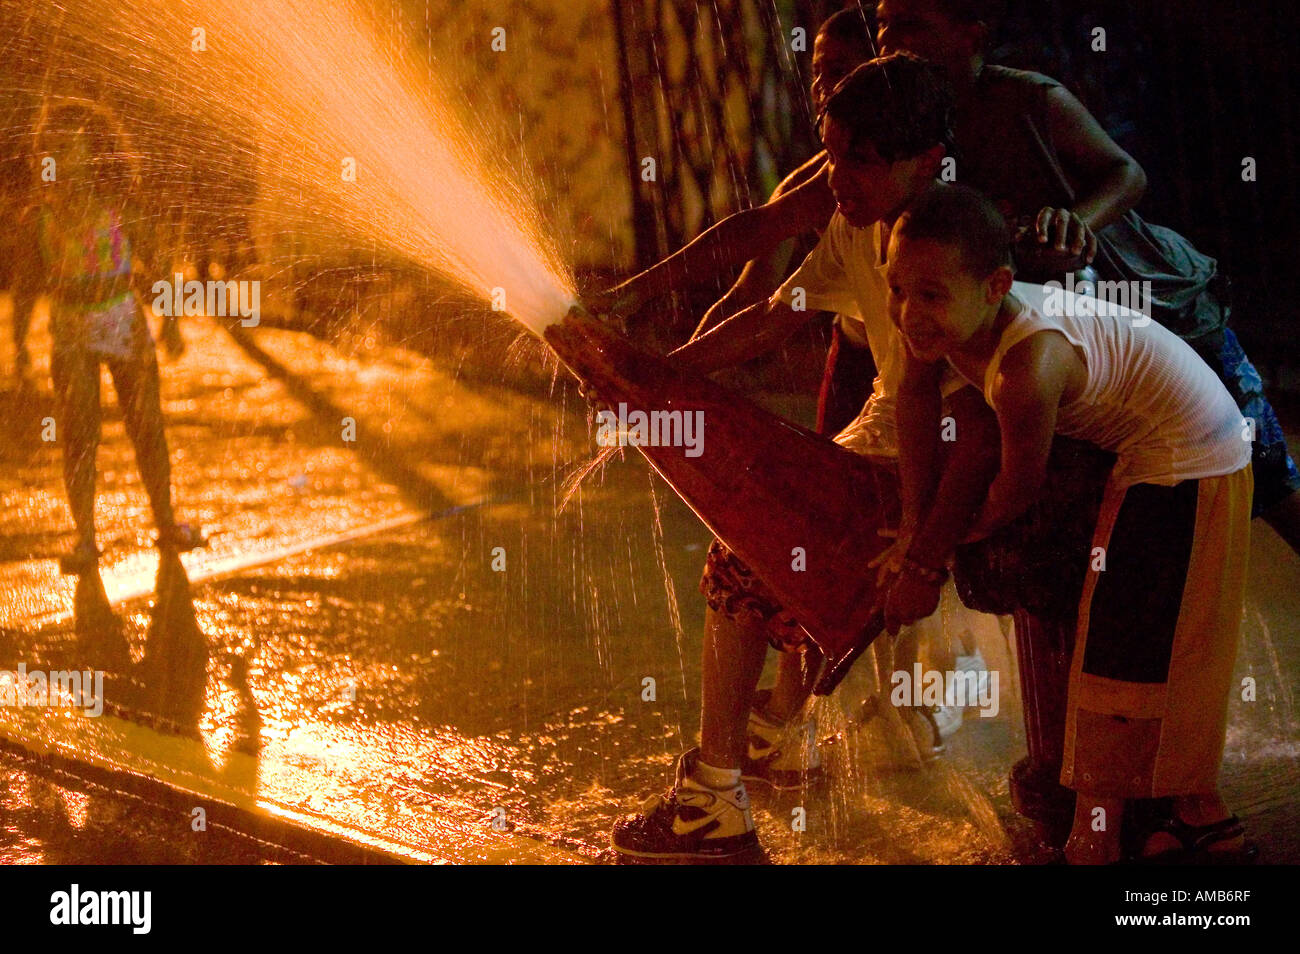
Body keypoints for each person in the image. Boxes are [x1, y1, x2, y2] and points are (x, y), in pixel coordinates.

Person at [606, 55, 1003, 863]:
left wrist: (924, 542)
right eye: (830, 150)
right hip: (886, 442)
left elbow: (977, 421)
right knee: (763, 538)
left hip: (934, 462)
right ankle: (770, 748)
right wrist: (660, 372)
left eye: (862, 159)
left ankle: (716, 795)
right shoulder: (857, 225)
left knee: (750, 555)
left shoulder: (947, 254)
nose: (838, 175)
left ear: (926, 161)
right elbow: (776, 312)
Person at [882, 182, 1255, 865]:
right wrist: (914, 529)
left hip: (1190, 458)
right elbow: (912, 399)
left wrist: (932, 558)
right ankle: (1189, 817)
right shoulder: (937, 329)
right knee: (1122, 645)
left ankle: (1124, 833)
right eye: (896, 288)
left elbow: (1015, 492)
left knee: (1127, 647)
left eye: (930, 294)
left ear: (996, 286)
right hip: (1143, 456)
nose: (908, 312)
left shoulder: (1028, 365)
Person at [871, 0, 1300, 554]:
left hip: (1153, 303)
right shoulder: (911, 130)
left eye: (910, 24)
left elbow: (1127, 173)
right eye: (882, 24)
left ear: (970, 35)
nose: (888, 39)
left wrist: (1076, 221)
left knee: (1263, 475)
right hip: (1061, 337)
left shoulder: (1029, 99)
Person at [34, 100, 204, 575]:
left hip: (122, 324)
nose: (57, 160)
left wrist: (171, 321)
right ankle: (85, 538)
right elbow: (31, 280)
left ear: (93, 153)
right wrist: (20, 338)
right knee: (78, 433)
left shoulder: (120, 209)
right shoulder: (42, 217)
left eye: (67, 149)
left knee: (146, 426)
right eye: (51, 150)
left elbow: (158, 261)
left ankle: (166, 522)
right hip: (70, 331)